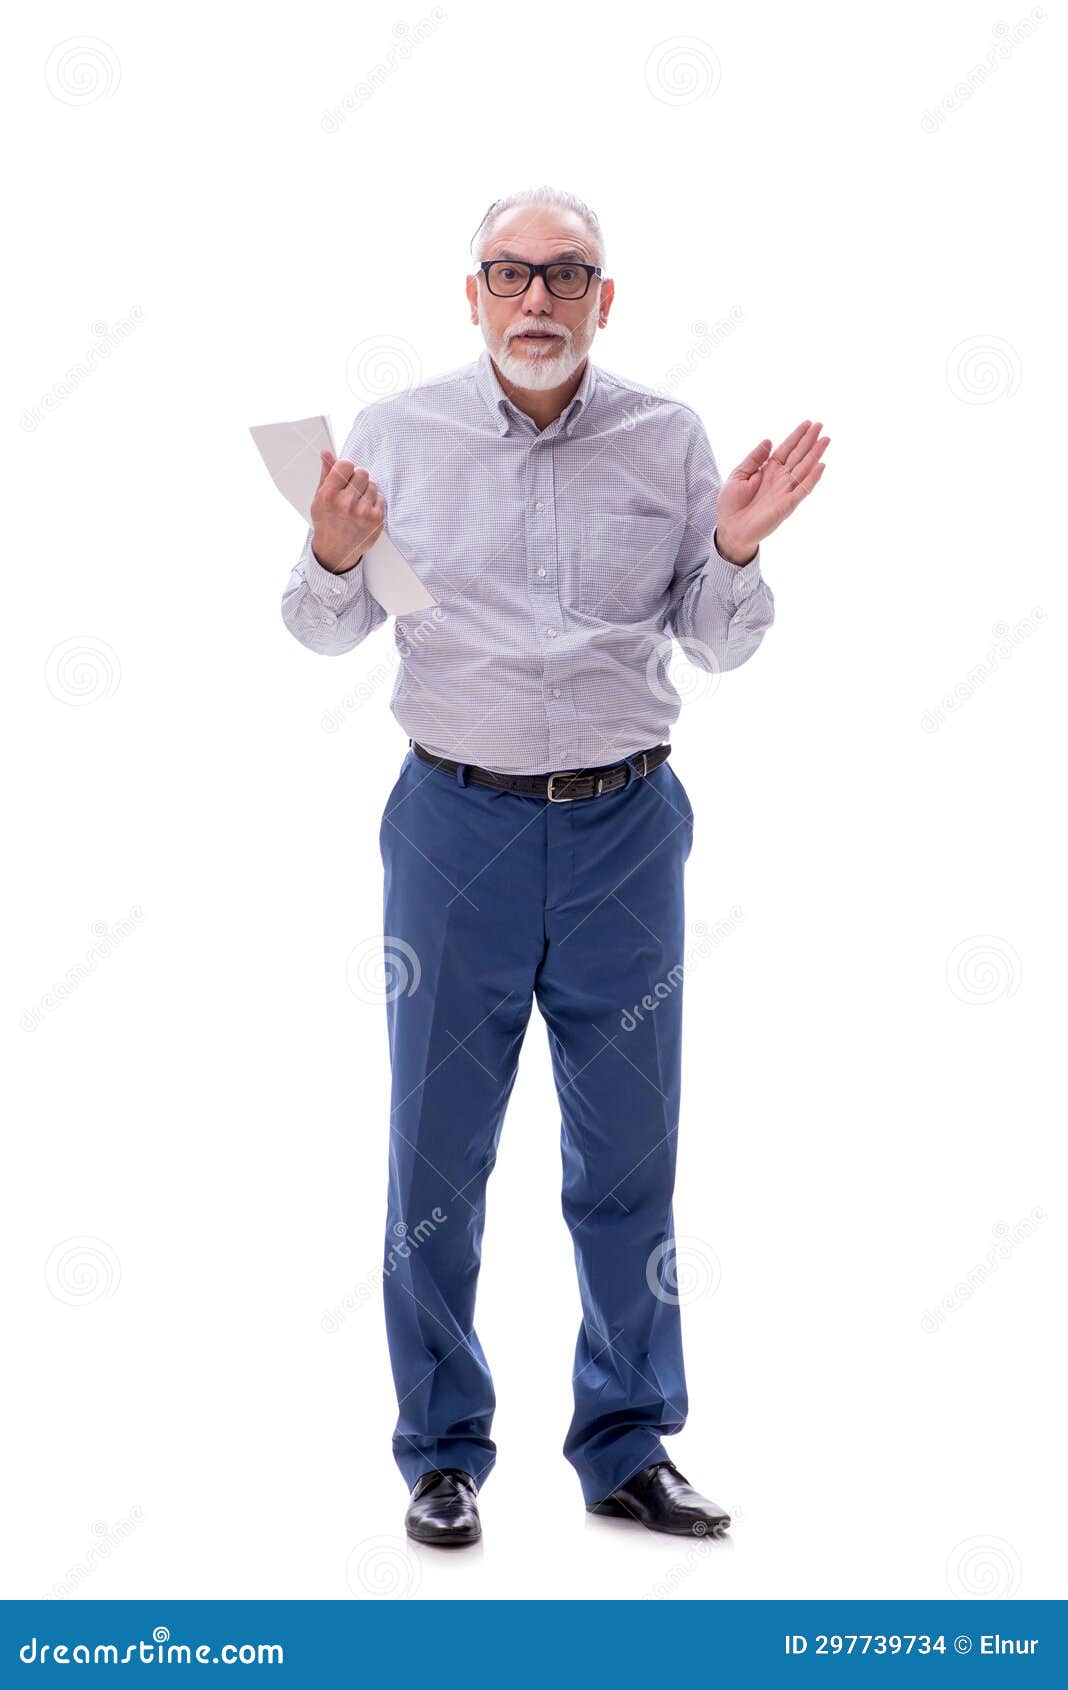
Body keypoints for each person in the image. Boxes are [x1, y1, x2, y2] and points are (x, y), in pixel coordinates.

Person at [281, 185, 829, 1548]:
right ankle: (442, 1450)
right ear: (470, 296)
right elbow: (319, 626)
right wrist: (332, 552)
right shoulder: (397, 435)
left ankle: (629, 1442)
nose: (539, 298)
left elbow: (717, 637)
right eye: (510, 275)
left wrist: (737, 543)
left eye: (567, 275)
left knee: (631, 1155)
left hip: (623, 832)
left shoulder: (666, 438)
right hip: (451, 826)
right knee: (436, 1157)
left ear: (606, 297)